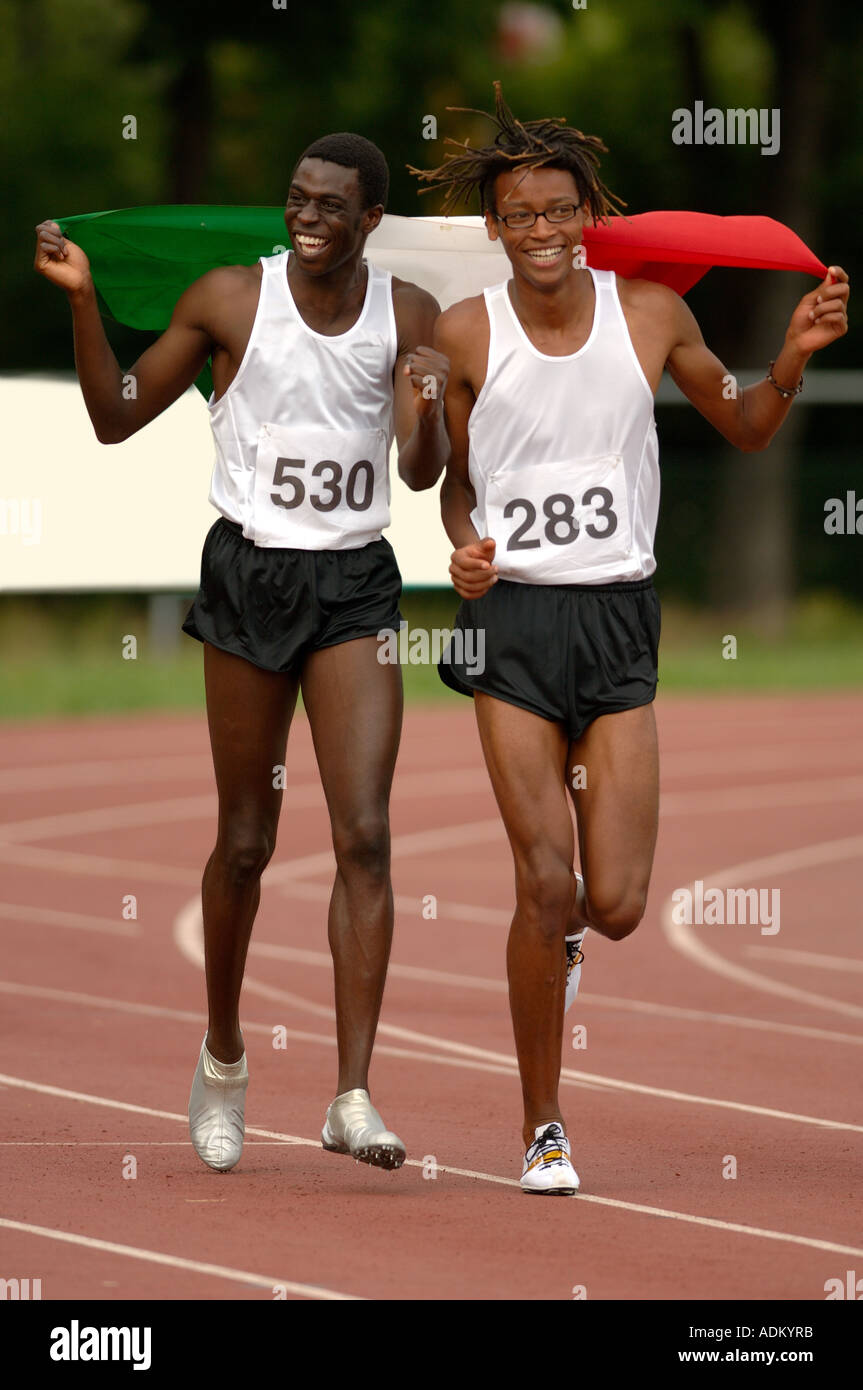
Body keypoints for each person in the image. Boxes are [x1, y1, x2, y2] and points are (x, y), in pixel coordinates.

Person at [412, 85, 849, 1195]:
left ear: (584, 213)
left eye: (558, 211)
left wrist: (790, 354)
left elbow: (744, 427)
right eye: (519, 216)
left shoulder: (649, 313)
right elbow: (454, 491)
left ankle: (562, 946)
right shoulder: (467, 332)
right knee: (543, 881)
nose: (542, 232)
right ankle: (541, 1125)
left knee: (610, 904)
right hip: (511, 622)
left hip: (617, 620)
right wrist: (462, 549)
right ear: (495, 229)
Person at [34, 132, 450, 1174]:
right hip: (250, 577)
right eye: (295, 198)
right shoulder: (229, 297)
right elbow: (114, 417)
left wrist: (431, 396)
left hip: (354, 582)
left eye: (329, 205)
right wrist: (84, 299)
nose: (306, 216)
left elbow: (417, 465)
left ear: (370, 221)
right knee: (248, 840)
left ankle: (351, 1095)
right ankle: (222, 1054)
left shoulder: (404, 314)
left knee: (364, 835)